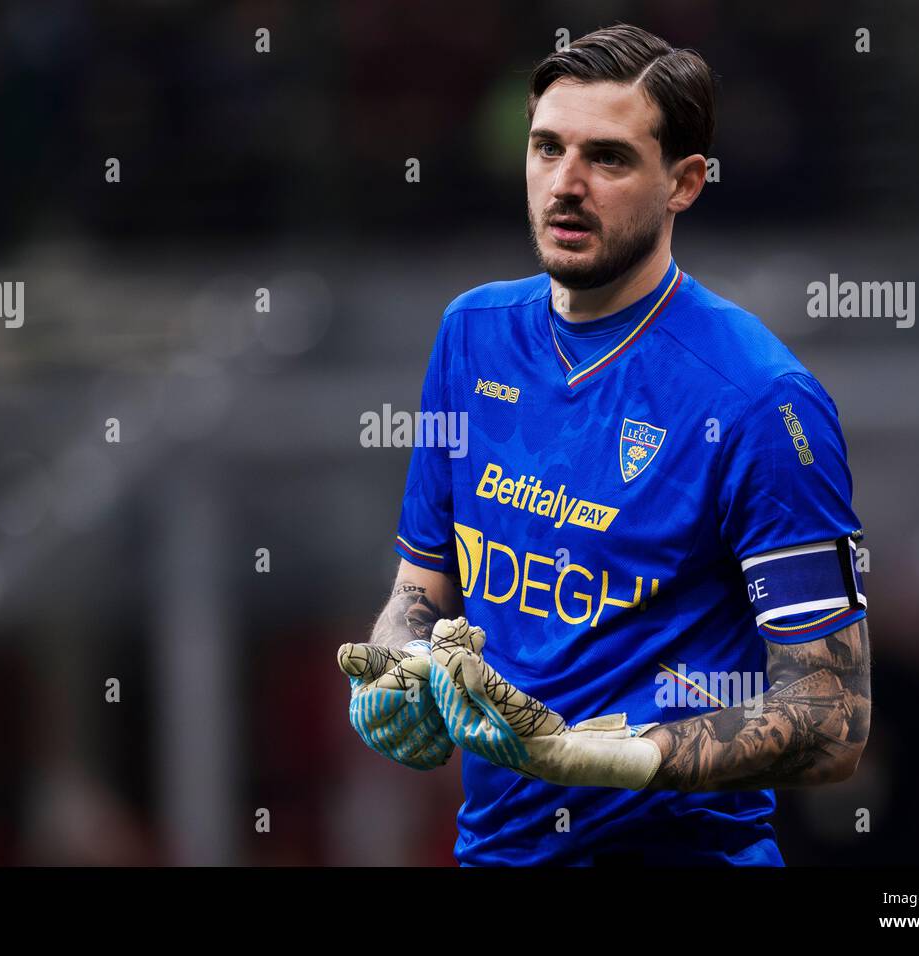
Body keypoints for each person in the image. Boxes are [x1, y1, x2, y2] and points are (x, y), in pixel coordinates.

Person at [338, 22, 871, 866]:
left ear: (684, 183)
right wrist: (398, 666)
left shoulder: (762, 400)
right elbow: (426, 582)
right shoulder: (470, 335)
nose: (566, 185)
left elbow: (830, 718)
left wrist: (603, 757)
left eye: (609, 158)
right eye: (547, 148)